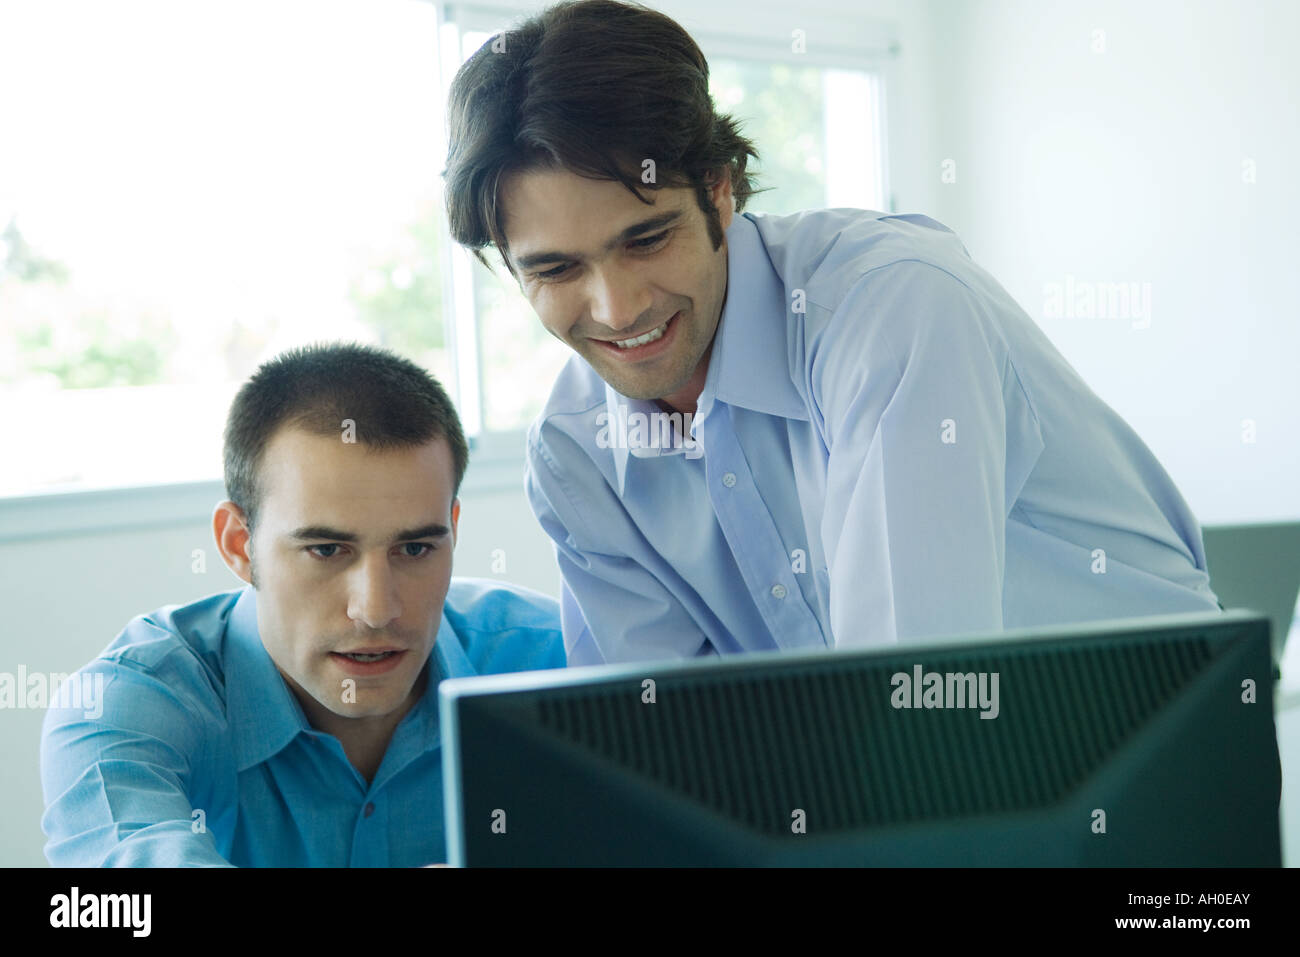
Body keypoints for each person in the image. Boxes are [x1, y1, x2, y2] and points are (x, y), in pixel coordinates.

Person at [440, 0, 1221, 665]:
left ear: (720, 190)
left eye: (645, 241)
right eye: (555, 270)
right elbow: (662, 748)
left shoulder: (890, 310)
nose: (615, 308)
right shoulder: (576, 455)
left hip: (1145, 755)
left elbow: (915, 693)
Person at [40, 343, 564, 866]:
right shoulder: (122, 705)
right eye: (327, 550)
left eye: (415, 549)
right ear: (238, 545)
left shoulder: (558, 661)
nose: (376, 610)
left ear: (453, 529)